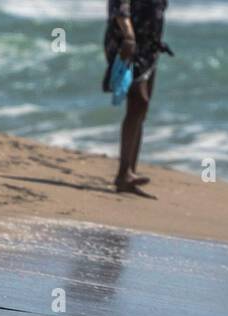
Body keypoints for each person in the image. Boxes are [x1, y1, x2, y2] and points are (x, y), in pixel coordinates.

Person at [103, 0, 169, 197]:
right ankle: (124, 173)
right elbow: (119, 6)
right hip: (128, 44)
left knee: (141, 108)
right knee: (139, 102)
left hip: (150, 47)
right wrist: (129, 36)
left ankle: (129, 172)